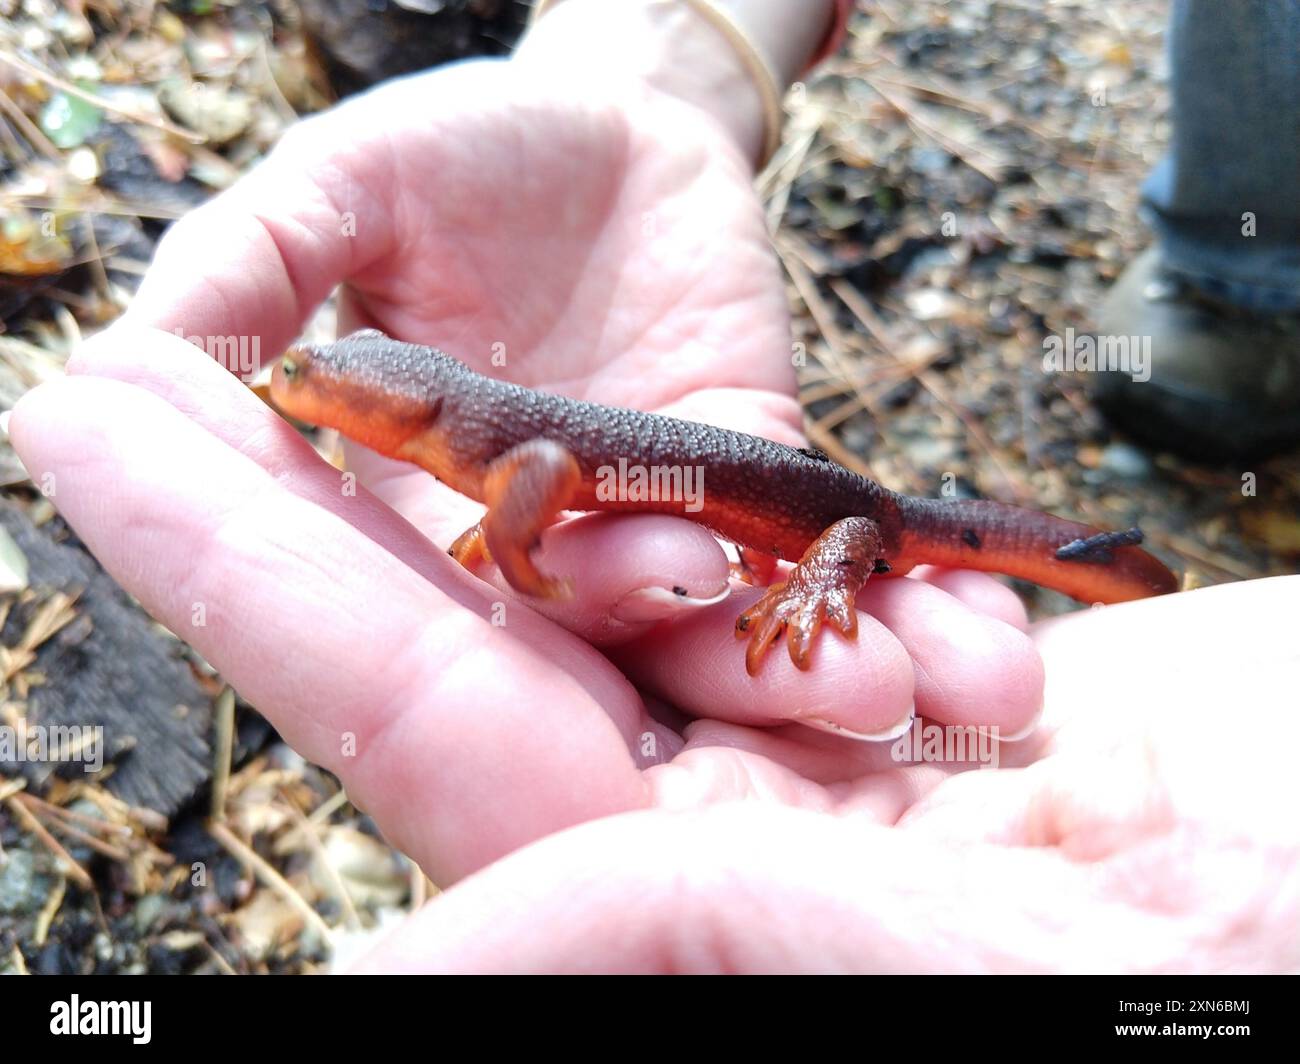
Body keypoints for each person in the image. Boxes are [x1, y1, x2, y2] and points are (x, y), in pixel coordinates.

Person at [5, 0, 1297, 972]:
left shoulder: (493, 441)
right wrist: (662, 70)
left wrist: (520, 553)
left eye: (312, 384)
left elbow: (551, 478)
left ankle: (1234, 324)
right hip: (805, 491)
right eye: (296, 383)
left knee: (890, 547)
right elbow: (545, 476)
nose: (294, 388)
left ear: (397, 404)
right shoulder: (465, 427)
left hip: (857, 523)